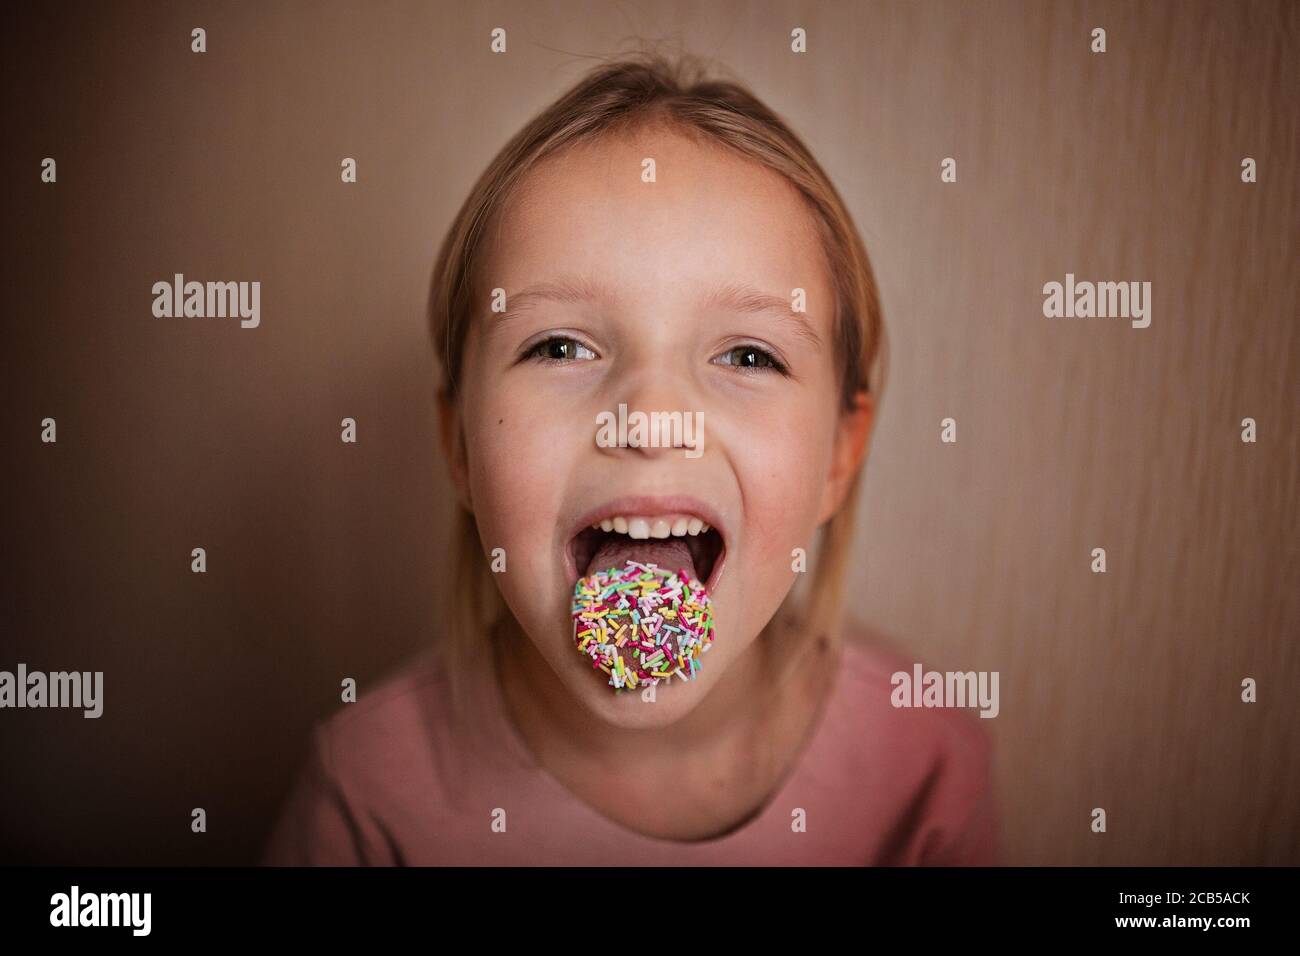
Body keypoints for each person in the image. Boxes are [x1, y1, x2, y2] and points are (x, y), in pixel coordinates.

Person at [263, 51, 1000, 866]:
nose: (653, 420)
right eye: (561, 345)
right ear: (460, 447)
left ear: (837, 456)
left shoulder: (923, 764)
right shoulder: (367, 799)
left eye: (749, 356)